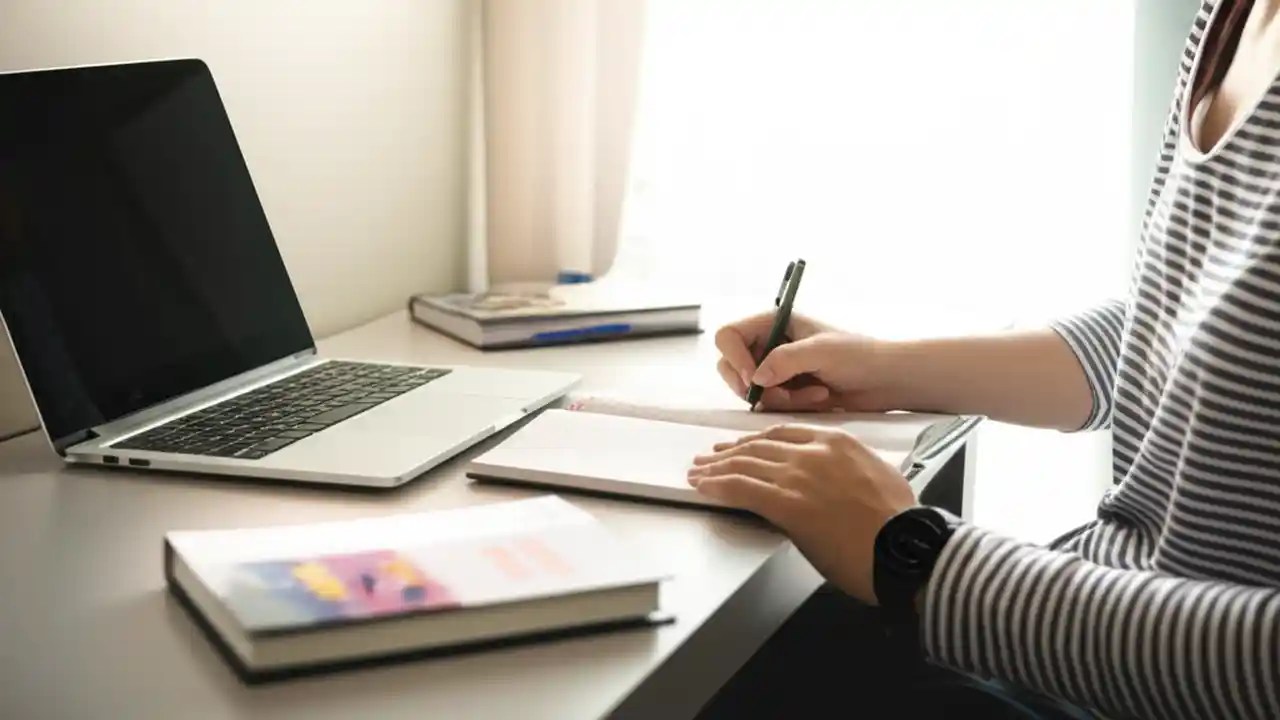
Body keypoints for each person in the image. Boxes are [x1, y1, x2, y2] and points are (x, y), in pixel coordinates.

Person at [690, 1, 1280, 718]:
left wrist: (920, 558)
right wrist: (883, 368)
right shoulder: (1231, 19)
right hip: (1101, 648)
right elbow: (1175, 328)